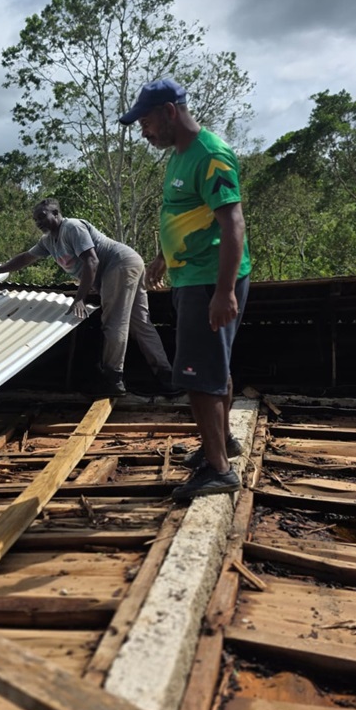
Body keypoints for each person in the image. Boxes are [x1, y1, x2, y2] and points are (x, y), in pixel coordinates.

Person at [120, 77, 250, 501]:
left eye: (146, 122)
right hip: (192, 276)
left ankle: (219, 470)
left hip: (209, 280)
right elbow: (184, 215)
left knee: (197, 378)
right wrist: (163, 257)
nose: (144, 132)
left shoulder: (210, 155)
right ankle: (222, 443)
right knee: (214, 368)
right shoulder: (178, 155)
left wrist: (224, 291)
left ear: (169, 112)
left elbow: (233, 224)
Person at [0, 198, 178, 397]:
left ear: (56, 214)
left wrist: (80, 298)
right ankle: (167, 376)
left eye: (42, 217)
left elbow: (92, 261)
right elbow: (25, 258)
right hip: (128, 263)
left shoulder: (72, 228)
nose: (38, 222)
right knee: (141, 323)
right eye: (36, 219)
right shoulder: (48, 241)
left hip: (119, 263)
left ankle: (113, 378)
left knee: (114, 322)